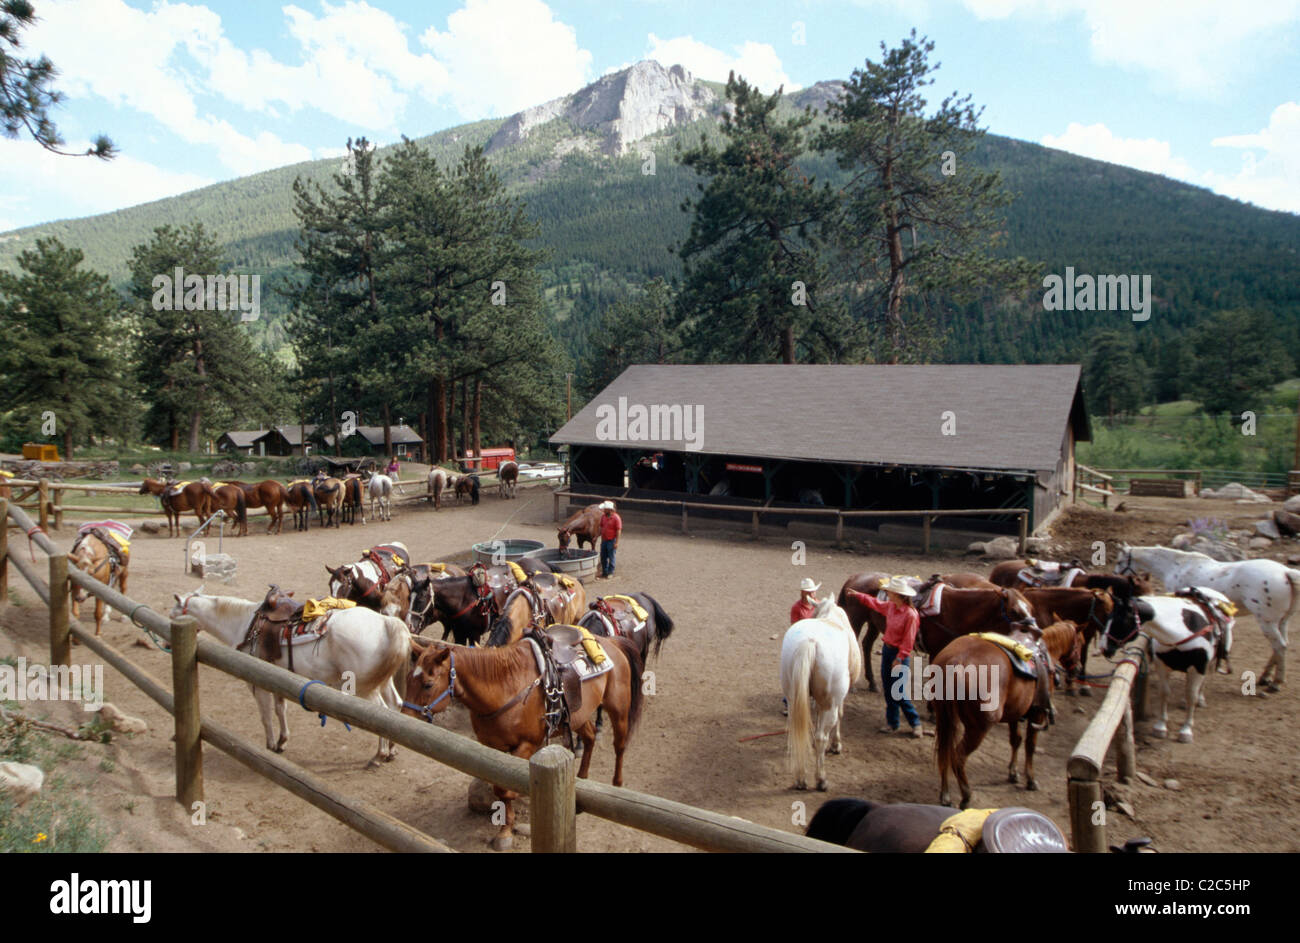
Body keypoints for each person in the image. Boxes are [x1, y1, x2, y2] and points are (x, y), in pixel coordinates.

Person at [844, 575, 924, 738]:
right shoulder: (891, 607)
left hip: (898, 655)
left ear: (898, 594)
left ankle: (915, 723)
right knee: (889, 690)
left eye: (890, 592)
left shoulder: (910, 615)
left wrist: (900, 658)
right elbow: (875, 603)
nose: (887, 593)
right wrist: (858, 595)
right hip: (887, 651)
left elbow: (908, 641)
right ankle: (892, 723)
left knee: (899, 691)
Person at [783, 577, 823, 715]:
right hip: (802, 642)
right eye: (808, 592)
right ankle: (790, 702)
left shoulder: (819, 605)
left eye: (813, 592)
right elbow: (795, 628)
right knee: (796, 672)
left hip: (816, 642)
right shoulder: (797, 608)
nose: (811, 595)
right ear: (803, 593)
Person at [595, 500, 622, 580]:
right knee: (603, 556)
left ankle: (610, 572)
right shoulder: (603, 517)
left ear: (609, 510)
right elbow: (601, 527)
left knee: (611, 556)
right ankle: (605, 572)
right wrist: (597, 535)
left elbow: (618, 530)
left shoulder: (616, 518)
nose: (603, 510)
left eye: (605, 509)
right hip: (604, 540)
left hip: (611, 540)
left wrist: (616, 542)